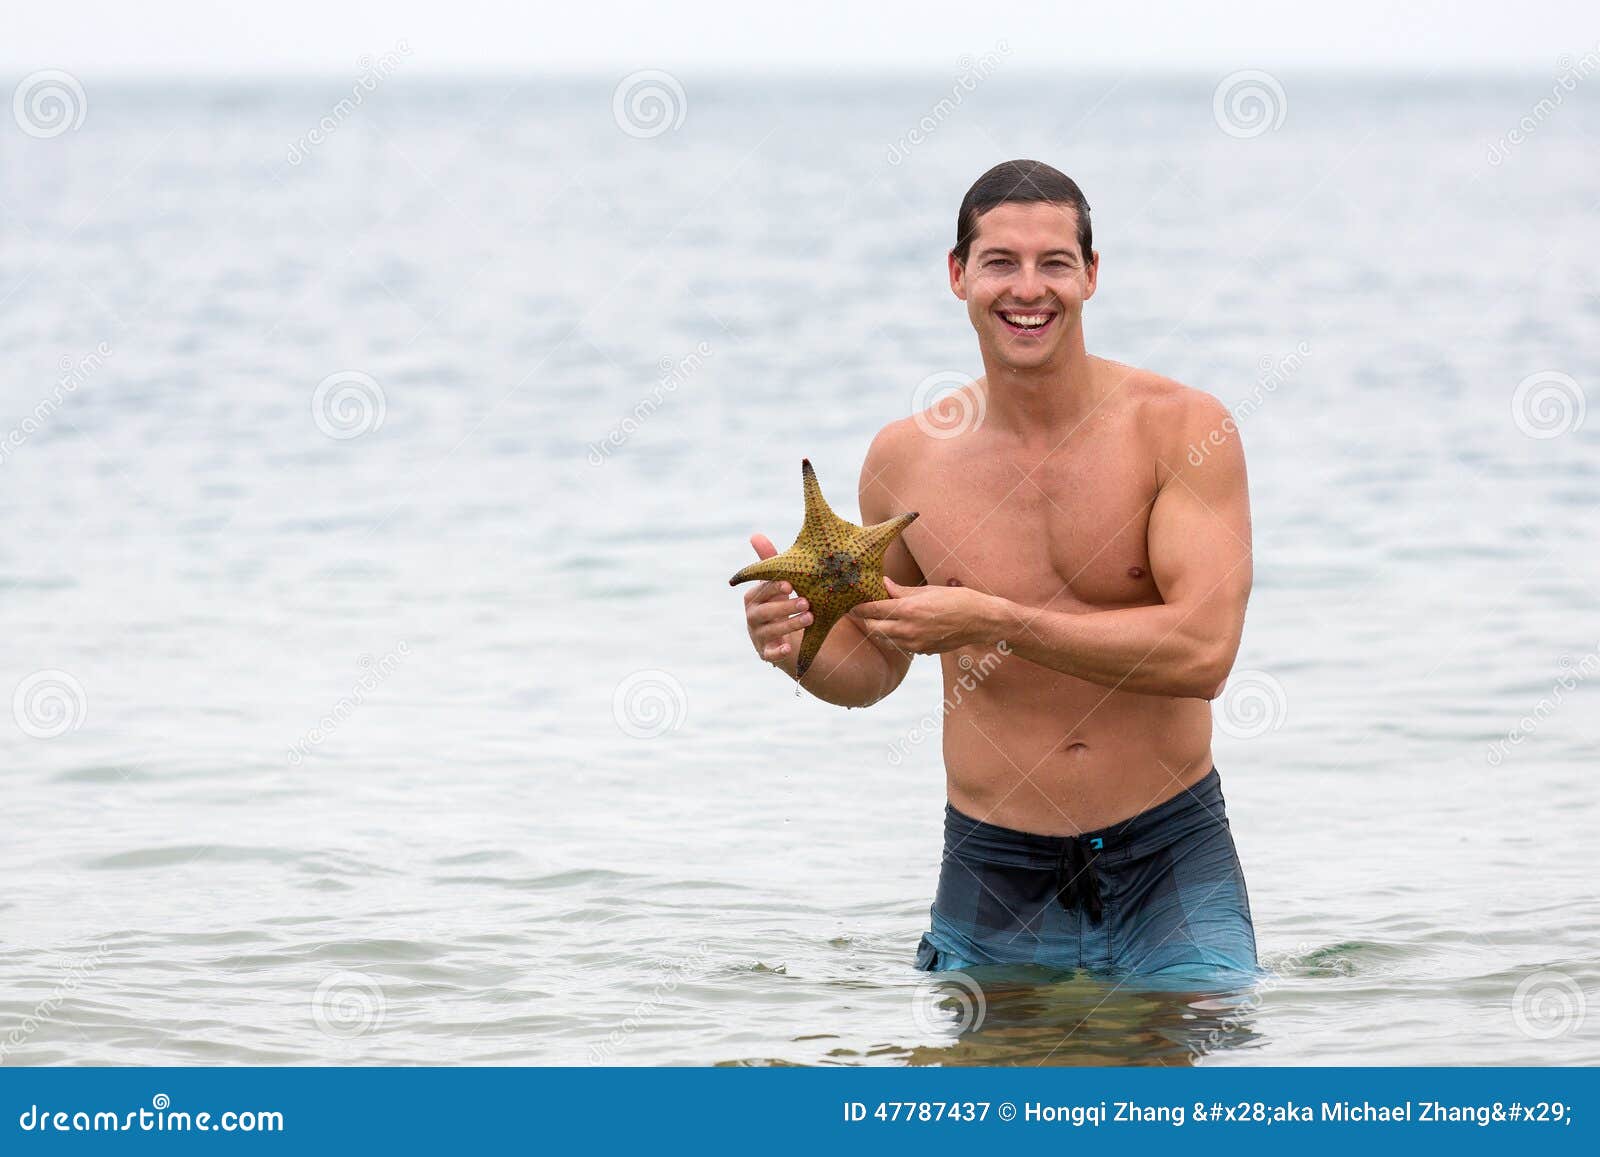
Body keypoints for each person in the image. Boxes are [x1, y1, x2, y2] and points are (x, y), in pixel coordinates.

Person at [738, 159, 1259, 986]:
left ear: (1091, 274)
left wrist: (996, 622)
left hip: (1170, 856)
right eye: (1000, 262)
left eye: (1055, 261)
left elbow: (1204, 654)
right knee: (976, 1101)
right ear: (958, 275)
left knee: (1187, 1089)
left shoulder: (1182, 430)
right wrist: (795, 645)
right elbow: (874, 668)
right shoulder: (905, 458)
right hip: (992, 868)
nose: (1029, 288)